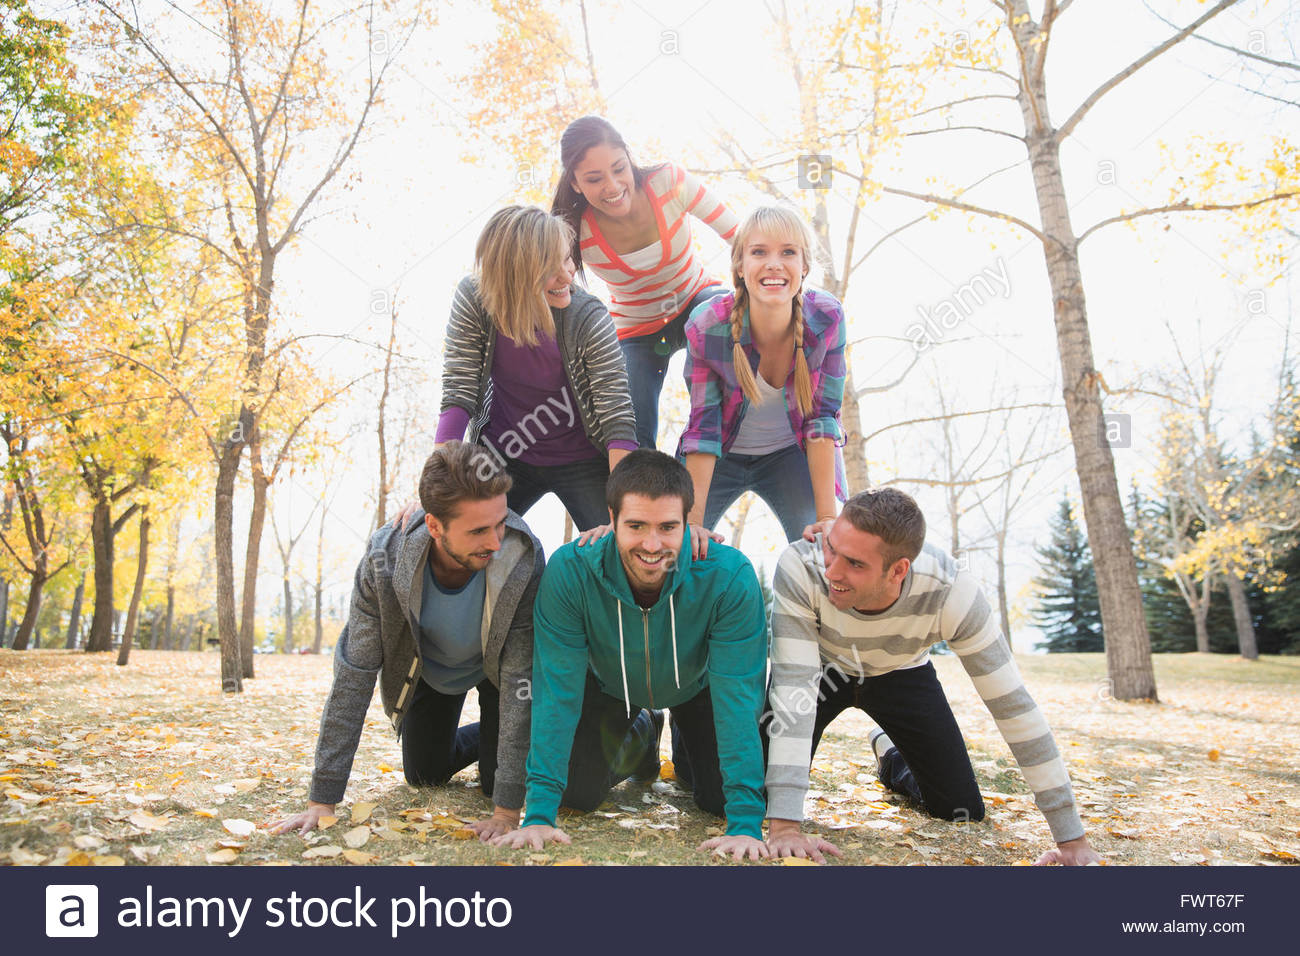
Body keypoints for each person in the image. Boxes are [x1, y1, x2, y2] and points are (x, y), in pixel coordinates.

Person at [763, 486, 1101, 865]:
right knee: (750, 789)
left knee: (960, 807)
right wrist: (786, 826)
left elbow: (1014, 709)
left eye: (855, 564)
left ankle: (891, 754)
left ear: (898, 569)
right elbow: (795, 688)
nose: (832, 571)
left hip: (901, 671)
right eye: (832, 548)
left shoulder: (953, 594)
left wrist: (1071, 840)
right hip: (823, 671)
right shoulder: (801, 565)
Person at [490, 450, 771, 861]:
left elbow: (739, 699)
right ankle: (644, 732)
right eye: (636, 525)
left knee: (713, 797)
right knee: (577, 793)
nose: (652, 544)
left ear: (689, 522)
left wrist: (745, 822)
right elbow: (556, 692)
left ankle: (684, 745)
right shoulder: (572, 571)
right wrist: (538, 815)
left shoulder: (728, 577)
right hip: (611, 685)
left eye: (668, 527)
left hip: (697, 686)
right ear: (611, 518)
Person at [271, 442, 544, 841]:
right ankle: (489, 737)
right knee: (424, 775)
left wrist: (505, 811)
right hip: (429, 671)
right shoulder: (384, 561)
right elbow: (354, 675)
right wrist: (322, 801)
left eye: (500, 522)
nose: (495, 542)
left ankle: (503, 745)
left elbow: (521, 677)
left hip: (496, 673)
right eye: (478, 531)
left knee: (496, 782)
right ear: (434, 527)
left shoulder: (522, 556)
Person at [436, 204, 637, 532]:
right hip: (503, 451)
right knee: (455, 529)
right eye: (549, 267)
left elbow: (616, 417)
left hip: (582, 458)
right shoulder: (475, 298)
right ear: (516, 272)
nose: (567, 275)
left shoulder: (587, 317)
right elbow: (459, 390)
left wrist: (624, 510)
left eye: (567, 258)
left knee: (618, 544)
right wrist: (438, 487)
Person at [552, 116, 738, 451]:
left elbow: (740, 236)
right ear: (576, 184)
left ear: (629, 156)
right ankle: (644, 489)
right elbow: (553, 293)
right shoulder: (576, 232)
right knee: (630, 428)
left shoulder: (669, 182)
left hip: (698, 297)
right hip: (638, 332)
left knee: (719, 315)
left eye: (619, 168)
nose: (612, 185)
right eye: (594, 179)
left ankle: (713, 432)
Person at [678, 204, 847, 549]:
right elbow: (704, 426)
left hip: (791, 454)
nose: (774, 263)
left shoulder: (827, 318)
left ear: (805, 266)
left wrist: (828, 519)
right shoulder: (708, 325)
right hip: (720, 455)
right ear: (740, 266)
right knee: (678, 545)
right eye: (759, 252)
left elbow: (822, 418)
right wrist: (692, 523)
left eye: (788, 252)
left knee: (826, 548)